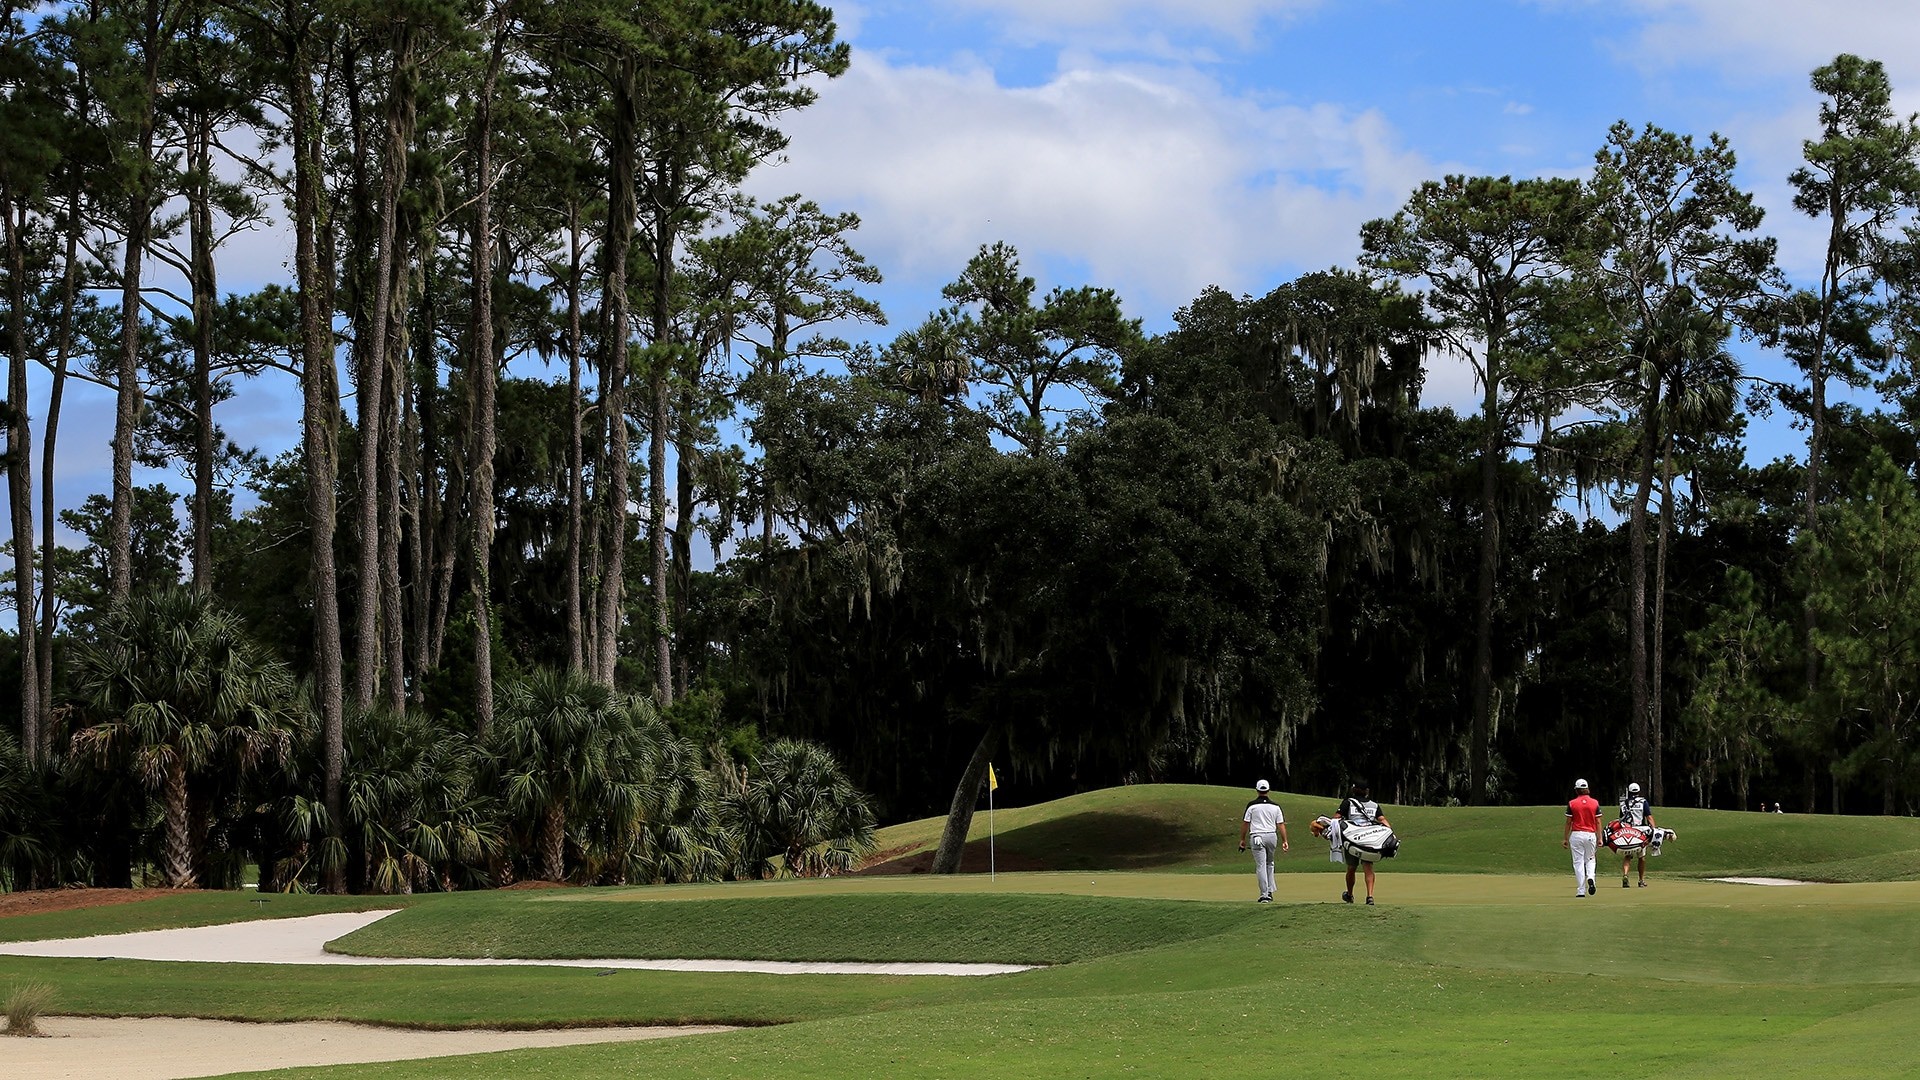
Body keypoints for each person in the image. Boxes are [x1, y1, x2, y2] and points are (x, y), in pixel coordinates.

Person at [1333, 780, 1389, 906]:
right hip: (1369, 840)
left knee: (1351, 868)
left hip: (1352, 840)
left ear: (1354, 790)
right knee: (1368, 868)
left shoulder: (1348, 802)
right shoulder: (1374, 805)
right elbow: (1382, 820)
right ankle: (1370, 896)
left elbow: (1336, 818)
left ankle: (1350, 894)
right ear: (1367, 791)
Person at [1238, 779, 1289, 903]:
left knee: (1261, 865)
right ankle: (1269, 891)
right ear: (1268, 790)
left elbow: (1246, 823)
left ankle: (1264, 894)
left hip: (1257, 836)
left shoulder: (1252, 806)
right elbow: (1280, 825)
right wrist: (1285, 841)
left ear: (1257, 790)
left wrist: (1242, 839)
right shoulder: (1276, 807)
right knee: (1270, 864)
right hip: (1272, 836)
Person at [1564, 778, 1601, 897]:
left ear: (1576, 790)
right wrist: (1600, 838)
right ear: (1587, 789)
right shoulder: (1595, 803)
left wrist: (1565, 838)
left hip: (1576, 835)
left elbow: (1568, 822)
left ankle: (1581, 890)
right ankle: (1591, 877)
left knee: (1578, 862)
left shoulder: (1572, 803)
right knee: (1590, 859)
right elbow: (1598, 822)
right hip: (1590, 835)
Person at [1617, 781, 1656, 889]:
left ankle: (1625, 875)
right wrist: (1654, 830)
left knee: (1627, 855)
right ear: (1638, 792)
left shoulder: (1623, 803)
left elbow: (1621, 818)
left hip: (1627, 832)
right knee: (1641, 857)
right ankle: (1641, 880)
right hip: (1640, 832)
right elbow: (1648, 817)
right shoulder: (1643, 802)